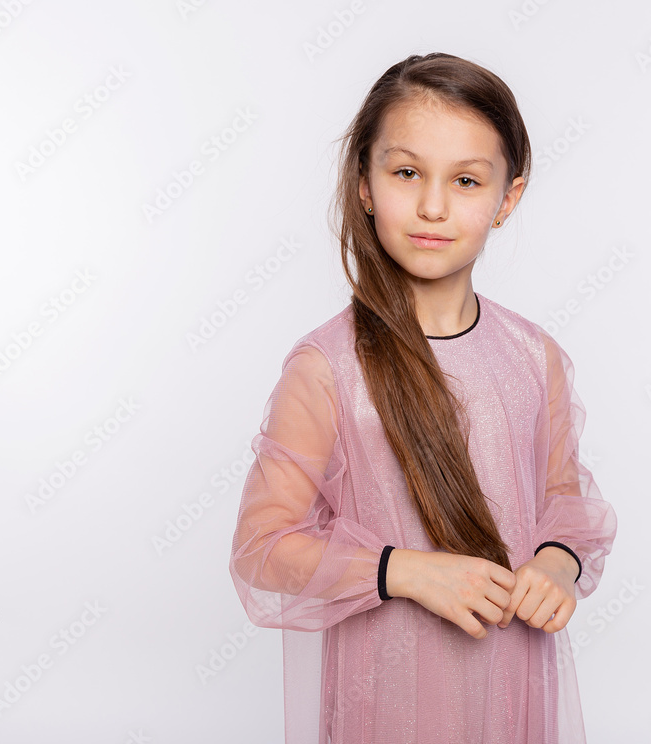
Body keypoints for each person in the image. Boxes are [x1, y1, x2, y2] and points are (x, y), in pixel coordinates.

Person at [229, 52, 618, 744]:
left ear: (507, 199)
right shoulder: (327, 368)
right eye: (407, 172)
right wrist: (401, 572)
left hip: (511, 688)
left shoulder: (536, 358)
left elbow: (564, 497)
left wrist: (557, 561)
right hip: (387, 701)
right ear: (366, 186)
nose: (434, 206)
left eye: (466, 180)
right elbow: (263, 549)